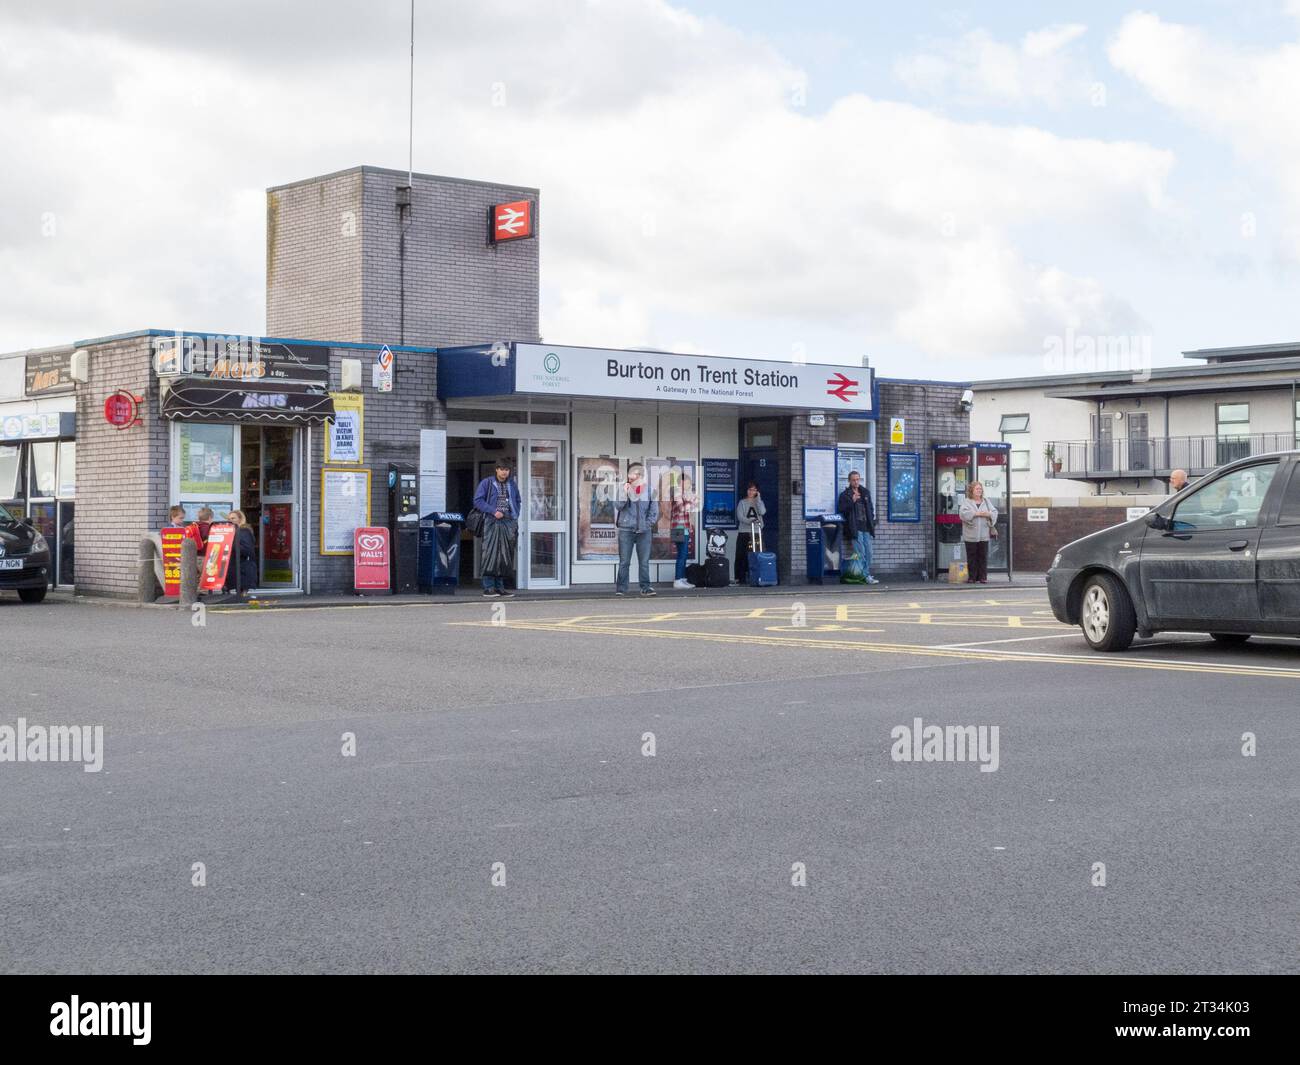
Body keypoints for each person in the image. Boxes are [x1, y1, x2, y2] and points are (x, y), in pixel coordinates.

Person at [473, 460, 521, 598]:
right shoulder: (487, 483)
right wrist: (493, 511)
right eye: (502, 469)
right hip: (492, 521)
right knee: (490, 554)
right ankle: (488, 588)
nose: (504, 472)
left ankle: (500, 588)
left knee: (504, 555)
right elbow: (478, 500)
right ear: (496, 470)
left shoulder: (511, 484)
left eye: (507, 469)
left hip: (508, 521)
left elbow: (517, 500)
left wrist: (515, 514)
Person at [614, 462, 659, 596]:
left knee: (644, 562)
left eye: (634, 473)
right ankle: (621, 589)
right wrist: (625, 493)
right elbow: (618, 506)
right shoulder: (622, 488)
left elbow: (654, 510)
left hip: (644, 531)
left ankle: (645, 587)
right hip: (626, 529)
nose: (630, 476)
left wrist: (648, 524)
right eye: (629, 473)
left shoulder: (650, 490)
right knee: (624, 562)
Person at [837, 470, 879, 585]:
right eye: (853, 480)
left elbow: (870, 508)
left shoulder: (865, 492)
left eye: (857, 479)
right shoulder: (845, 495)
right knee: (860, 553)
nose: (856, 482)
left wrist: (872, 520)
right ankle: (865, 576)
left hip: (866, 527)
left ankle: (864, 574)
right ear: (849, 481)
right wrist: (852, 501)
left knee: (869, 552)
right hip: (855, 528)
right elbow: (842, 510)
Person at [958, 481, 997, 584]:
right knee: (972, 557)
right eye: (977, 489)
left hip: (984, 535)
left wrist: (988, 514)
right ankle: (972, 577)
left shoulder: (986, 501)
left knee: (983, 556)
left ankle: (983, 577)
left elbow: (994, 512)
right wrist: (975, 513)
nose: (979, 490)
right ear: (972, 490)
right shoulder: (967, 502)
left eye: (980, 489)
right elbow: (962, 514)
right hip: (970, 535)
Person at [734, 481, 766, 584]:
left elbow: (762, 512)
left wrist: (758, 500)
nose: (751, 492)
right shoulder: (742, 502)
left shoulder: (759, 502)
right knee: (741, 555)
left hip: (756, 532)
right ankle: (740, 578)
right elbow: (740, 516)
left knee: (756, 554)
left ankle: (756, 576)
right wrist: (750, 521)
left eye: (754, 490)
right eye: (750, 489)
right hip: (744, 532)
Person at [670, 473, 697, 590]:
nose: (688, 485)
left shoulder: (683, 494)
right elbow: (682, 508)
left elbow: (689, 511)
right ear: (681, 482)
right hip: (678, 528)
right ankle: (678, 579)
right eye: (686, 482)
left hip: (683, 527)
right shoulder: (677, 493)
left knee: (684, 553)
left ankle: (681, 578)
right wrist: (690, 501)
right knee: (682, 553)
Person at [223, 510, 257, 598]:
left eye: (233, 518)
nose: (230, 520)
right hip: (234, 562)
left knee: (242, 586)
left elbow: (248, 549)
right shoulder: (231, 530)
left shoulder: (244, 531)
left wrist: (233, 545)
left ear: (240, 519)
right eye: (229, 518)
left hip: (243, 564)